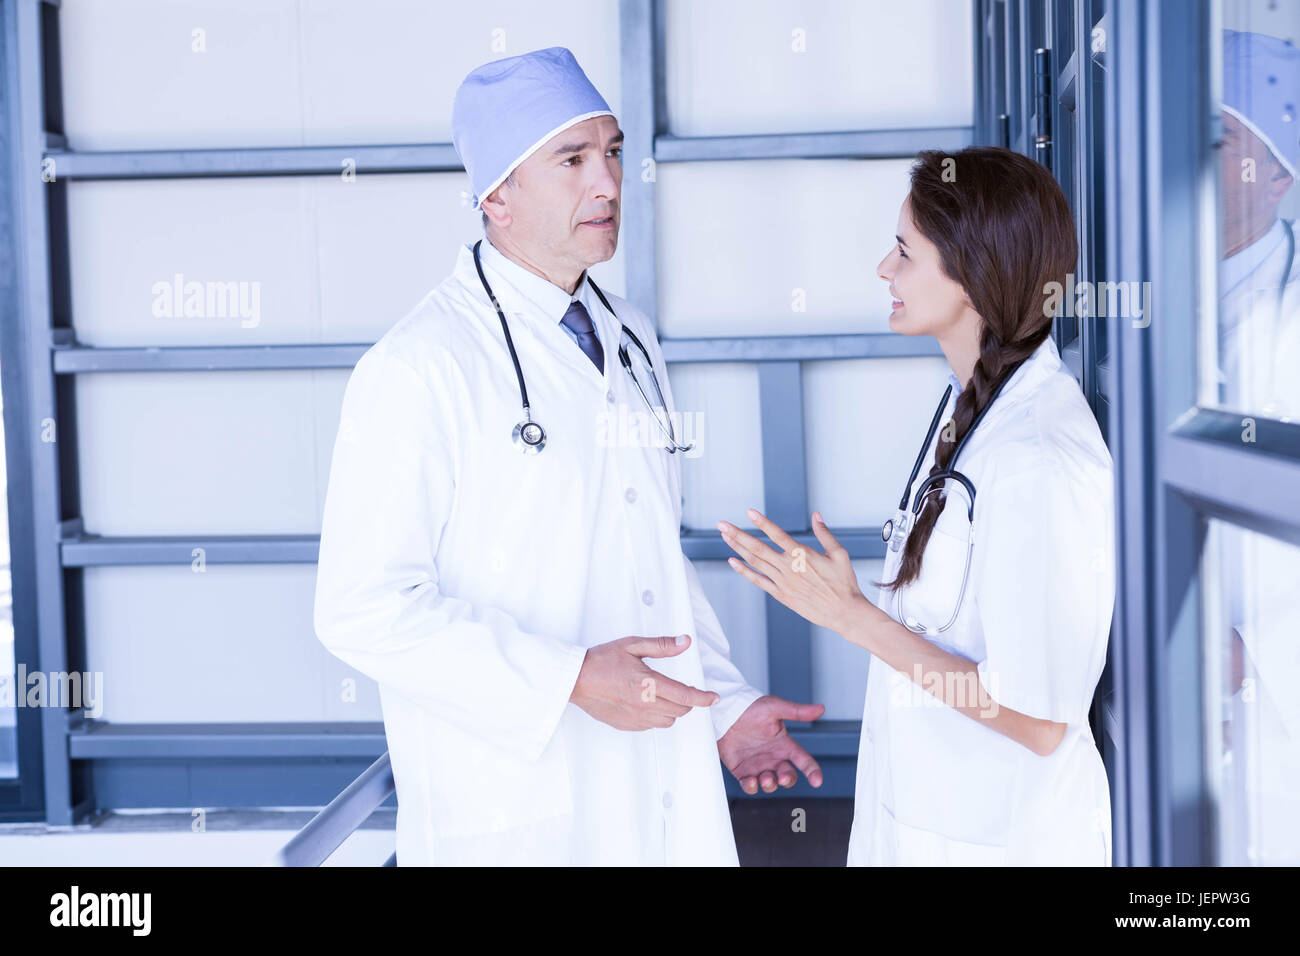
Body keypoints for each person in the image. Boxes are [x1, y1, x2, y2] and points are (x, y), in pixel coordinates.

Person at [313, 46, 824, 866]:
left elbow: (649, 552)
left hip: (656, 785)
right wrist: (569, 680)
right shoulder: (417, 367)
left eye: (614, 152)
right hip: (517, 805)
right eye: (573, 159)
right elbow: (362, 607)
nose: (610, 184)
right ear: (497, 194)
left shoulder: (630, 337)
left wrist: (722, 707)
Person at [717, 147, 1114, 865]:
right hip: (931, 819)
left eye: (904, 251)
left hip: (1004, 838)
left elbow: (1038, 718)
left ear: (972, 271)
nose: (883, 270)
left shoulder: (1037, 457)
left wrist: (851, 617)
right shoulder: (971, 406)